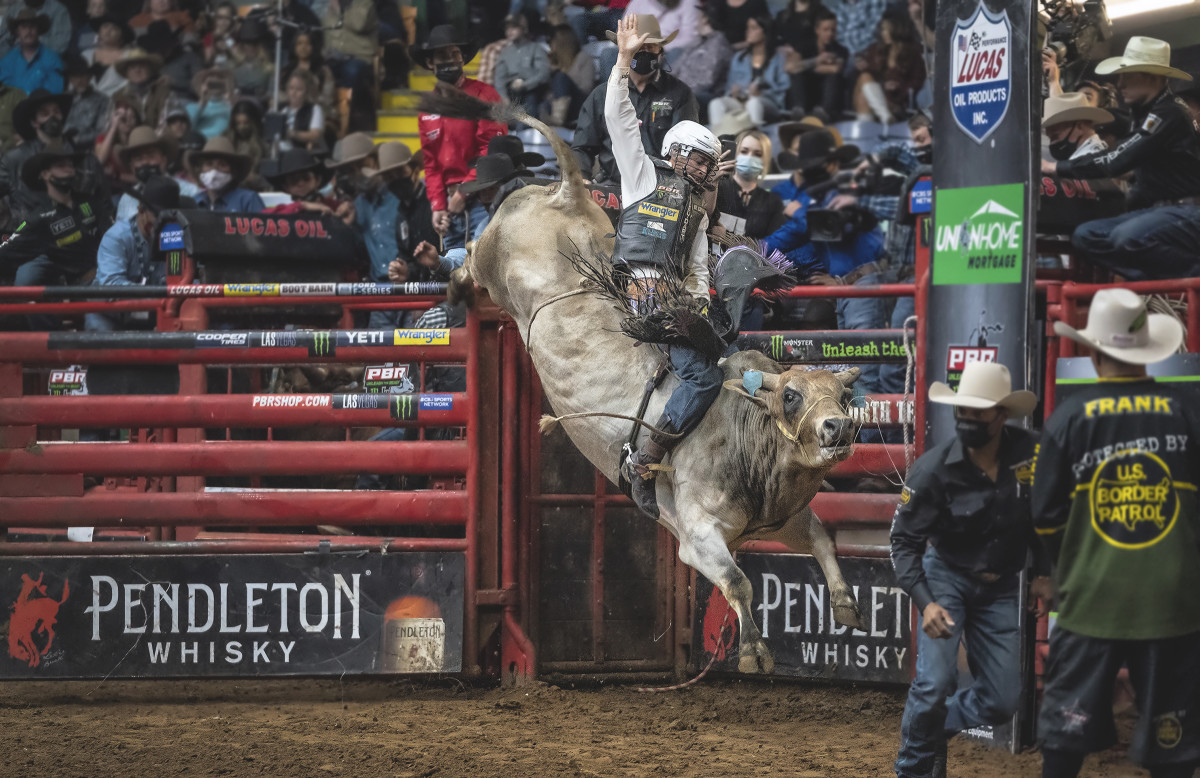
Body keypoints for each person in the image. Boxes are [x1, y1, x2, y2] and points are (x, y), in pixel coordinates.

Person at [1034, 288, 1200, 778]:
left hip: (1091, 601)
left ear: (1092, 351)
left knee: (1063, 744)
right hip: (1174, 603)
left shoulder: (1067, 419)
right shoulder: (1188, 414)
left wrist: (1067, 568)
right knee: (1175, 748)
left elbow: (1045, 516)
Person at [890, 361, 1049, 778]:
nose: (968, 421)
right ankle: (911, 769)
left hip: (1003, 584)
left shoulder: (1033, 454)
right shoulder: (933, 469)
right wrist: (926, 603)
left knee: (1002, 699)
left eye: (977, 414)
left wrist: (1044, 572)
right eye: (963, 413)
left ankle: (933, 728)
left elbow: (1047, 515)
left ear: (1001, 415)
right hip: (947, 577)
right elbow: (903, 541)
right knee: (933, 685)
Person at [607, 14, 723, 519]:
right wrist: (622, 60)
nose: (699, 169)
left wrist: (702, 307)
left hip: (677, 301)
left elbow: (697, 272)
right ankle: (644, 461)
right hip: (644, 292)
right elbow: (619, 119)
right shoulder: (642, 176)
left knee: (726, 359)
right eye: (695, 159)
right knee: (704, 380)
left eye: (706, 164)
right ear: (673, 152)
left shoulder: (697, 210)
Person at [1043, 38, 1200, 281]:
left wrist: (1055, 167)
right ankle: (1153, 283)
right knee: (1086, 236)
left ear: (1152, 77)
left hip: (1187, 210)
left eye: (1129, 75)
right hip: (1161, 213)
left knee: (1127, 237)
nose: (1120, 83)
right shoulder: (1149, 113)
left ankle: (1181, 278)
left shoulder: (1168, 112)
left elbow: (1117, 159)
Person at [761, 128, 888, 405]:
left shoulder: (851, 190)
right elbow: (780, 240)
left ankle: (876, 441)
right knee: (858, 370)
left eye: (814, 167)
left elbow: (836, 224)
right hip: (847, 291)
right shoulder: (812, 199)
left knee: (866, 370)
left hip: (866, 285)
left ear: (832, 165)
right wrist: (741, 248)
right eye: (806, 168)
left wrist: (797, 212)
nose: (809, 173)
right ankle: (866, 440)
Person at [573, 14, 698, 185]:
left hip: (662, 187)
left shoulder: (680, 93)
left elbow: (686, 148)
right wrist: (582, 178)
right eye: (638, 47)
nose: (644, 51)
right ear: (624, 49)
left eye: (650, 46)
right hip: (613, 186)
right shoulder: (602, 94)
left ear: (660, 51)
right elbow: (582, 147)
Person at [413, 25, 506, 249]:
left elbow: (491, 151)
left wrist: (463, 192)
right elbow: (431, 163)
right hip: (449, 205)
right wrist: (437, 205)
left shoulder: (484, 95)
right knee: (453, 275)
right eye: (442, 56)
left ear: (463, 58)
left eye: (454, 54)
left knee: (480, 272)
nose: (450, 60)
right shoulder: (427, 110)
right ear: (430, 63)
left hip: (482, 199)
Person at [0, 150, 114, 330]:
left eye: (70, 165)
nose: (69, 170)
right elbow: (8, 247)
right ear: (45, 175)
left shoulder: (91, 202)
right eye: (61, 166)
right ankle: (53, 347)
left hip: (109, 279)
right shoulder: (37, 218)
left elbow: (113, 237)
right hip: (80, 285)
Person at [87, 174, 195, 331]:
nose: (161, 223)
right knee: (99, 332)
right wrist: (156, 294)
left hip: (156, 313)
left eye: (168, 217)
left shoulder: (175, 237)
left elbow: (183, 281)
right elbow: (111, 283)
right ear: (141, 210)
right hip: (111, 313)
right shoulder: (117, 237)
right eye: (158, 216)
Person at [2, 89, 104, 231]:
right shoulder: (14, 159)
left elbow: (101, 198)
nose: (52, 117)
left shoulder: (81, 157)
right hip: (32, 236)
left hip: (79, 233)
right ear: (34, 122)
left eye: (56, 112)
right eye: (45, 114)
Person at [708, 16, 789, 127]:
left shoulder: (779, 58)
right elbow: (729, 86)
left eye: (753, 28)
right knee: (716, 104)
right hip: (740, 100)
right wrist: (732, 93)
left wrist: (761, 93)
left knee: (753, 103)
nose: (748, 31)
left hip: (766, 102)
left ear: (765, 32)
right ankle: (716, 140)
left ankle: (754, 139)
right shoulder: (739, 57)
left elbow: (783, 87)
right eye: (748, 28)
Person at [113, 124, 200, 220]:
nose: (145, 162)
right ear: (132, 167)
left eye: (151, 155)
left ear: (164, 159)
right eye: (139, 158)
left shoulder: (190, 191)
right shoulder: (127, 199)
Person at [852, 14, 924, 124]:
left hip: (898, 99)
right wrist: (883, 84)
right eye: (883, 30)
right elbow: (870, 77)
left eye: (886, 30)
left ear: (897, 30)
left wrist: (898, 87)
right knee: (864, 77)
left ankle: (870, 128)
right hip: (879, 96)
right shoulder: (876, 50)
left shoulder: (913, 53)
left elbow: (917, 81)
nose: (883, 33)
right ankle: (886, 117)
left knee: (863, 93)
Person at [714, 129, 785, 240]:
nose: (750, 157)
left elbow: (774, 246)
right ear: (735, 153)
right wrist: (711, 180)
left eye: (758, 154)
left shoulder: (773, 202)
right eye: (744, 151)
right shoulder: (717, 188)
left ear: (765, 160)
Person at [785, 8, 847, 120]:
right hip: (807, 92)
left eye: (833, 30)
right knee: (797, 74)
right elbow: (790, 67)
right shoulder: (804, 46)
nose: (830, 34)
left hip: (827, 96)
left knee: (833, 77)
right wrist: (816, 61)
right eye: (826, 30)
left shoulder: (840, 50)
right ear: (817, 30)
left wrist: (804, 66)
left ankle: (824, 111)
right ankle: (799, 109)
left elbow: (836, 69)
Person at [671, 7, 733, 115]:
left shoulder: (718, 45)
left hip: (702, 97)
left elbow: (706, 82)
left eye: (698, 17)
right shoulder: (697, 41)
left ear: (705, 19)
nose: (696, 21)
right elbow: (676, 67)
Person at [261, 147, 349, 222]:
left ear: (317, 180)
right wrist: (302, 206)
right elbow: (262, 217)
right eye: (294, 180)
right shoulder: (285, 210)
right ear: (286, 188)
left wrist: (349, 209)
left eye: (306, 177)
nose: (301, 183)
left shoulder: (334, 206)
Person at [186, 135, 264, 212]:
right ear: (200, 170)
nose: (214, 170)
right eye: (209, 164)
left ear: (233, 171)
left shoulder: (247, 200)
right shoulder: (195, 202)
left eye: (222, 165)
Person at [493, 13, 551, 110]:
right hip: (511, 93)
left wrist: (525, 85)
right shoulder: (505, 52)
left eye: (514, 27)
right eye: (507, 28)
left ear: (524, 29)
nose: (509, 31)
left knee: (530, 100)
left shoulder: (535, 48)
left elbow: (543, 73)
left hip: (532, 91)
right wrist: (504, 97)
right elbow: (499, 78)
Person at [0, 9, 63, 94]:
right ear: (17, 32)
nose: (28, 31)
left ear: (38, 30)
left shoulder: (52, 59)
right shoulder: (6, 62)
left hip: (41, 106)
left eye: (32, 26)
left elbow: (55, 93)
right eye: (24, 27)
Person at [542, 24, 595, 127]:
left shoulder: (583, 58)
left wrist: (566, 83)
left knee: (561, 78)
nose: (550, 47)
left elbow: (587, 88)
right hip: (553, 105)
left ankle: (558, 118)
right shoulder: (553, 61)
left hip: (578, 105)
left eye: (551, 43)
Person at [1042, 92, 1111, 164]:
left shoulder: (1089, 161)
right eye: (1050, 138)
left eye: (1055, 136)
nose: (1052, 144)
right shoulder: (1093, 154)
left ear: (1079, 126)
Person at [139, 20, 202, 99]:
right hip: (155, 103)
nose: (160, 51)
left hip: (184, 101)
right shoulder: (148, 62)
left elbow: (201, 86)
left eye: (163, 46)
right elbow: (137, 90)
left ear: (171, 44)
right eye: (157, 47)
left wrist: (175, 82)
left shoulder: (190, 58)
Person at [112, 47, 171, 129]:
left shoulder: (162, 91)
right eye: (132, 67)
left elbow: (167, 121)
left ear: (150, 70)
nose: (137, 70)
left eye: (142, 66)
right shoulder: (117, 97)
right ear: (126, 72)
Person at [62, 54, 110, 149]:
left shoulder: (102, 100)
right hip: (62, 148)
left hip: (90, 150)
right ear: (70, 79)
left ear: (89, 76)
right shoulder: (63, 99)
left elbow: (102, 131)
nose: (79, 80)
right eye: (75, 76)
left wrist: (77, 139)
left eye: (82, 75)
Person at [283, 30, 334, 117]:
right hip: (288, 112)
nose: (303, 47)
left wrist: (305, 102)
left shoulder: (323, 72)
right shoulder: (286, 71)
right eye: (299, 43)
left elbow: (327, 99)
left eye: (307, 43)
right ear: (294, 47)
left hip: (315, 115)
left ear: (314, 46)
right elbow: (279, 95)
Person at [93, 95, 141, 188]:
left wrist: (117, 175)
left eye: (132, 117)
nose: (128, 122)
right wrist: (114, 126)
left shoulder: (140, 140)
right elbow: (99, 160)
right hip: (110, 190)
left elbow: (143, 177)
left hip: (135, 189)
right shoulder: (103, 139)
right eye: (123, 119)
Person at [624, 0, 699, 55]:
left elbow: (689, 38)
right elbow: (625, 28)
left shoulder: (689, 3)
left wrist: (660, 46)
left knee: (675, 54)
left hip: (667, 50)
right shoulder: (639, 2)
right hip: (638, 45)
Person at [84, 14, 134, 95]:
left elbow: (130, 86)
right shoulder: (86, 55)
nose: (108, 30)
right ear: (99, 32)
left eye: (115, 28)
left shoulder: (129, 57)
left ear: (122, 37)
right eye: (105, 26)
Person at [223, 99, 266, 190]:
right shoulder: (226, 141)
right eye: (238, 123)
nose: (241, 127)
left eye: (246, 123)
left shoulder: (263, 144)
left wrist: (255, 178)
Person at [3, 0, 70, 57]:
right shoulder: (13, 10)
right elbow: (2, 42)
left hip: (45, 62)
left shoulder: (58, 10)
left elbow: (60, 47)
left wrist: (32, 40)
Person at [279, 71, 324, 152]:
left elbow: (315, 135)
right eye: (291, 88)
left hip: (299, 153)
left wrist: (293, 134)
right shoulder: (281, 108)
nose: (293, 93)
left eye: (299, 89)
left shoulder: (314, 109)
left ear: (307, 92)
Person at [231, 17, 273, 102]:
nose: (250, 47)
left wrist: (261, 96)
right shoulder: (232, 67)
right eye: (247, 43)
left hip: (260, 108)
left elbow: (272, 94)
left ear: (260, 45)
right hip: (238, 108)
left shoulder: (269, 69)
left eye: (254, 43)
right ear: (242, 45)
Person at [187, 67, 233, 138]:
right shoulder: (192, 107)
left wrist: (230, 99)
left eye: (218, 83)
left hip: (224, 142)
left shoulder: (230, 106)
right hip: (202, 142)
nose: (214, 86)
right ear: (203, 86)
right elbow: (188, 127)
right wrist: (202, 103)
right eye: (211, 84)